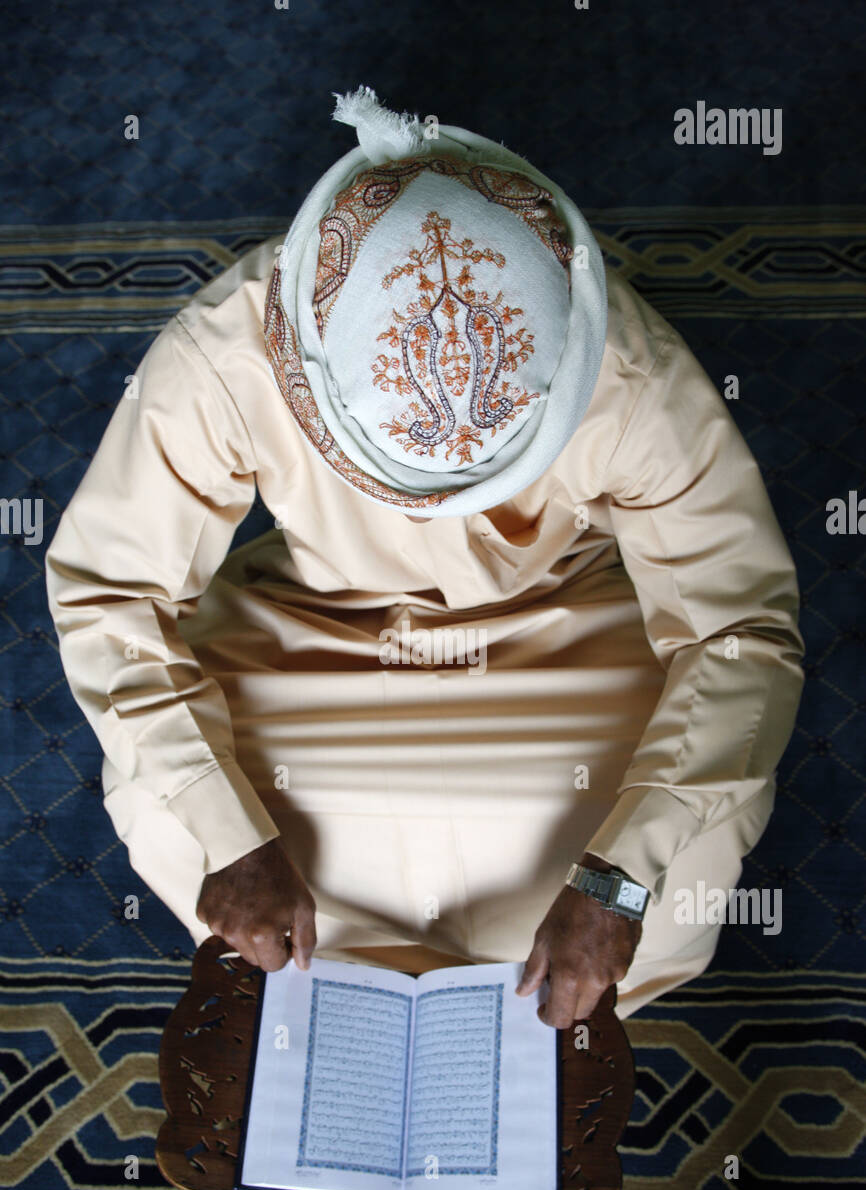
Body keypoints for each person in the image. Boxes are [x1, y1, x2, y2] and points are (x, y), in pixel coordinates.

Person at [45, 88, 804, 1026]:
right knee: (177, 813)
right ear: (307, 374)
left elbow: (740, 631)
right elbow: (110, 593)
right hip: (308, 624)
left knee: (675, 856)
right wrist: (232, 836)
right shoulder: (231, 350)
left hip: (565, 624)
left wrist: (617, 878)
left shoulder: (621, 362)